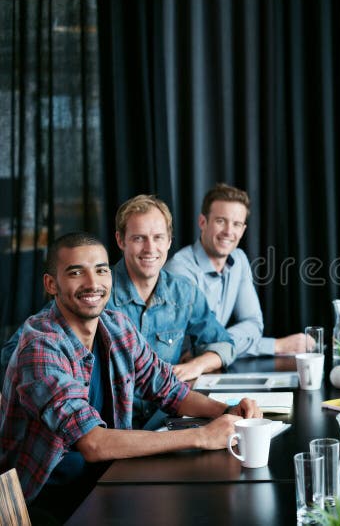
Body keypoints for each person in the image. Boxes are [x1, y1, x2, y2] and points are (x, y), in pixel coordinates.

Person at [0, 232, 261, 523]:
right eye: (76, 272)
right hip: (45, 503)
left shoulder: (117, 326)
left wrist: (228, 411)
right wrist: (201, 436)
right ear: (51, 284)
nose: (93, 283)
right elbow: (93, 443)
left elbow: (170, 390)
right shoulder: (40, 347)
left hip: (108, 479)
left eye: (101, 270)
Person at [1, 195, 236, 430]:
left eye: (158, 238)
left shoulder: (173, 296)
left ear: (169, 241)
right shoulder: (92, 298)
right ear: (120, 240)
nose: (150, 248)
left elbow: (216, 349)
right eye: (138, 238)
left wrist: (201, 373)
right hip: (97, 432)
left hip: (159, 422)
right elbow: (18, 355)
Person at [164, 183, 308, 357]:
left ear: (243, 230)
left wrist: (220, 345)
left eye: (237, 224)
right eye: (220, 221)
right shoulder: (179, 270)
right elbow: (195, 347)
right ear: (203, 222)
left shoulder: (239, 260)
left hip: (211, 369)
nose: (228, 231)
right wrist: (275, 346)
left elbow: (253, 324)